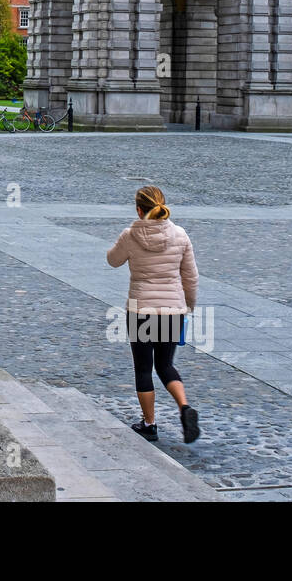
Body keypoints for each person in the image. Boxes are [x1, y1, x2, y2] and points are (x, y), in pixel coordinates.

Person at [106, 186, 200, 444]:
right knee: (165, 365)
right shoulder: (180, 235)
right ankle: (184, 407)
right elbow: (190, 277)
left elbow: (113, 260)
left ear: (139, 209)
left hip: (141, 311)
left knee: (144, 369)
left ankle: (150, 424)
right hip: (172, 310)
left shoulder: (130, 235)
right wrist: (188, 306)